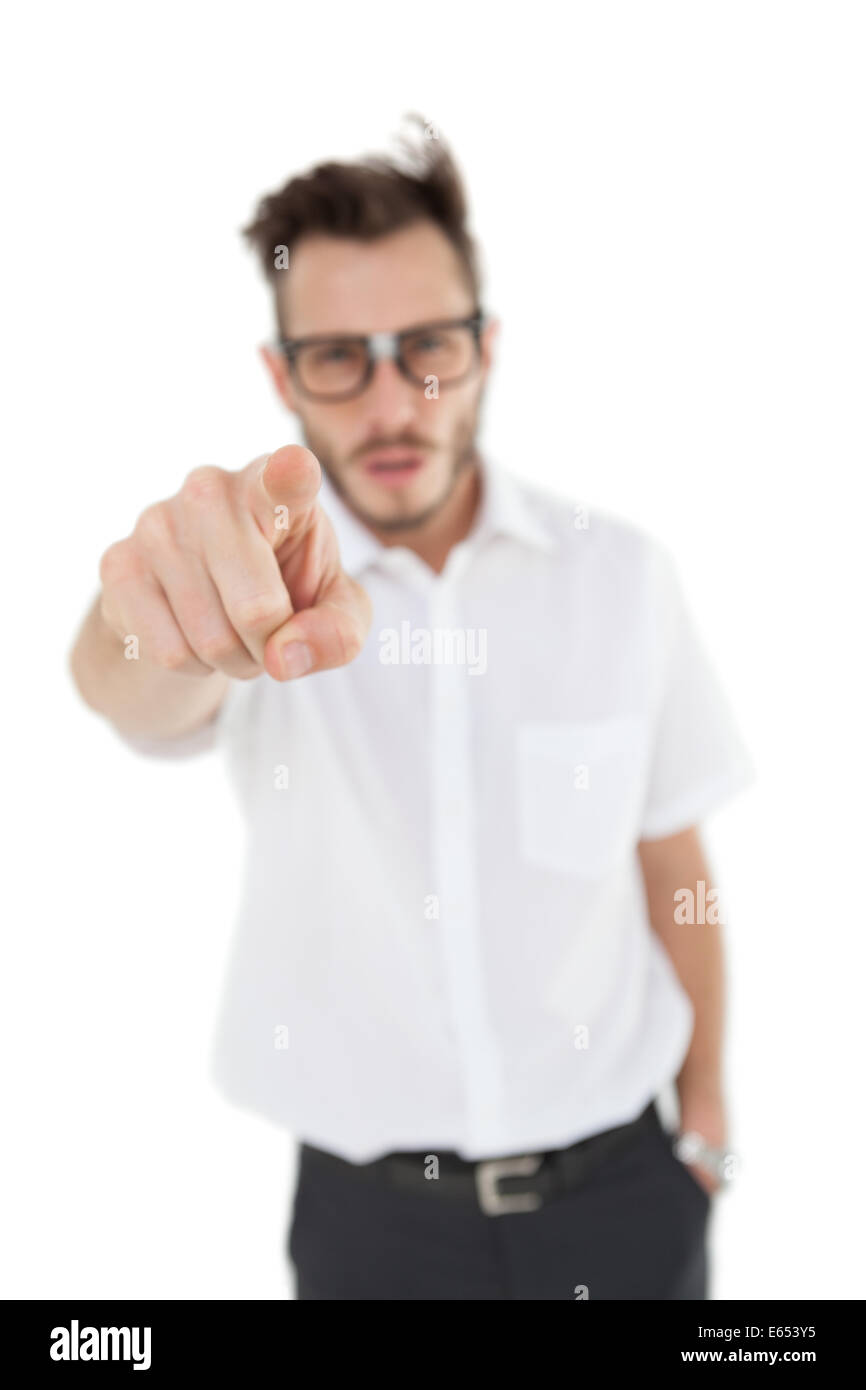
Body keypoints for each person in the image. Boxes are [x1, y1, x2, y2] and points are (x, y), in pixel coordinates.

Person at [69, 117, 753, 1300]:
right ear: (281, 377)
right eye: (337, 356)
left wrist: (702, 1113)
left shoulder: (621, 578)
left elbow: (670, 858)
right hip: (371, 1234)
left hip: (627, 1199)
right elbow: (129, 687)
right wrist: (155, 610)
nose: (390, 402)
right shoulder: (263, 593)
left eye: (425, 347)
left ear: (482, 349)